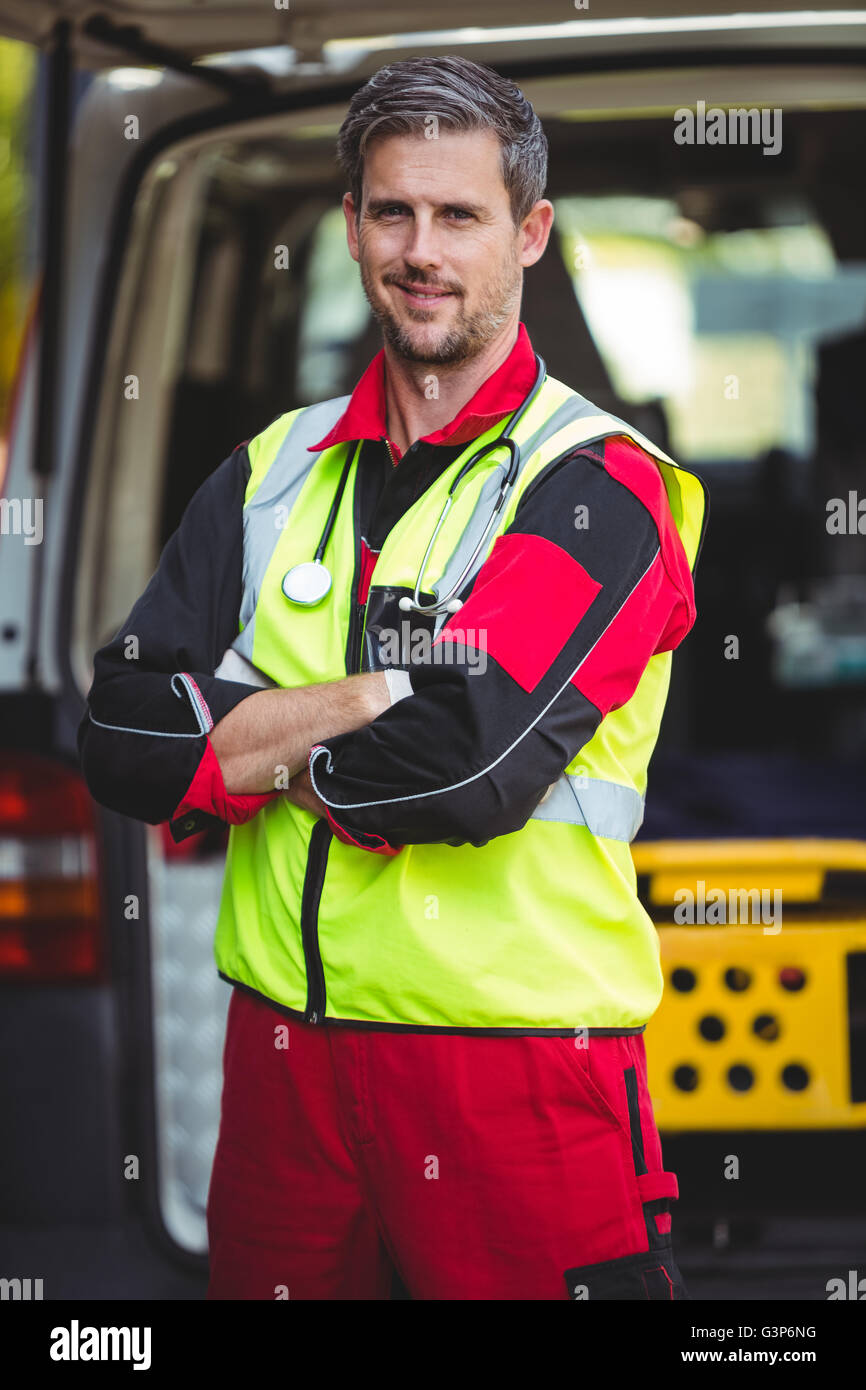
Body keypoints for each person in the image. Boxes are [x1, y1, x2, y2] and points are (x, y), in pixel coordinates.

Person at [78, 55, 708, 1300]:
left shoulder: (596, 487)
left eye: (459, 215)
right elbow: (120, 737)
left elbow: (464, 770)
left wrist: (242, 738)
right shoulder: (271, 468)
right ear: (353, 223)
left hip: (514, 1080)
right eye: (391, 211)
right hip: (284, 1071)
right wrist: (365, 701)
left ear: (528, 234)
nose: (422, 249)